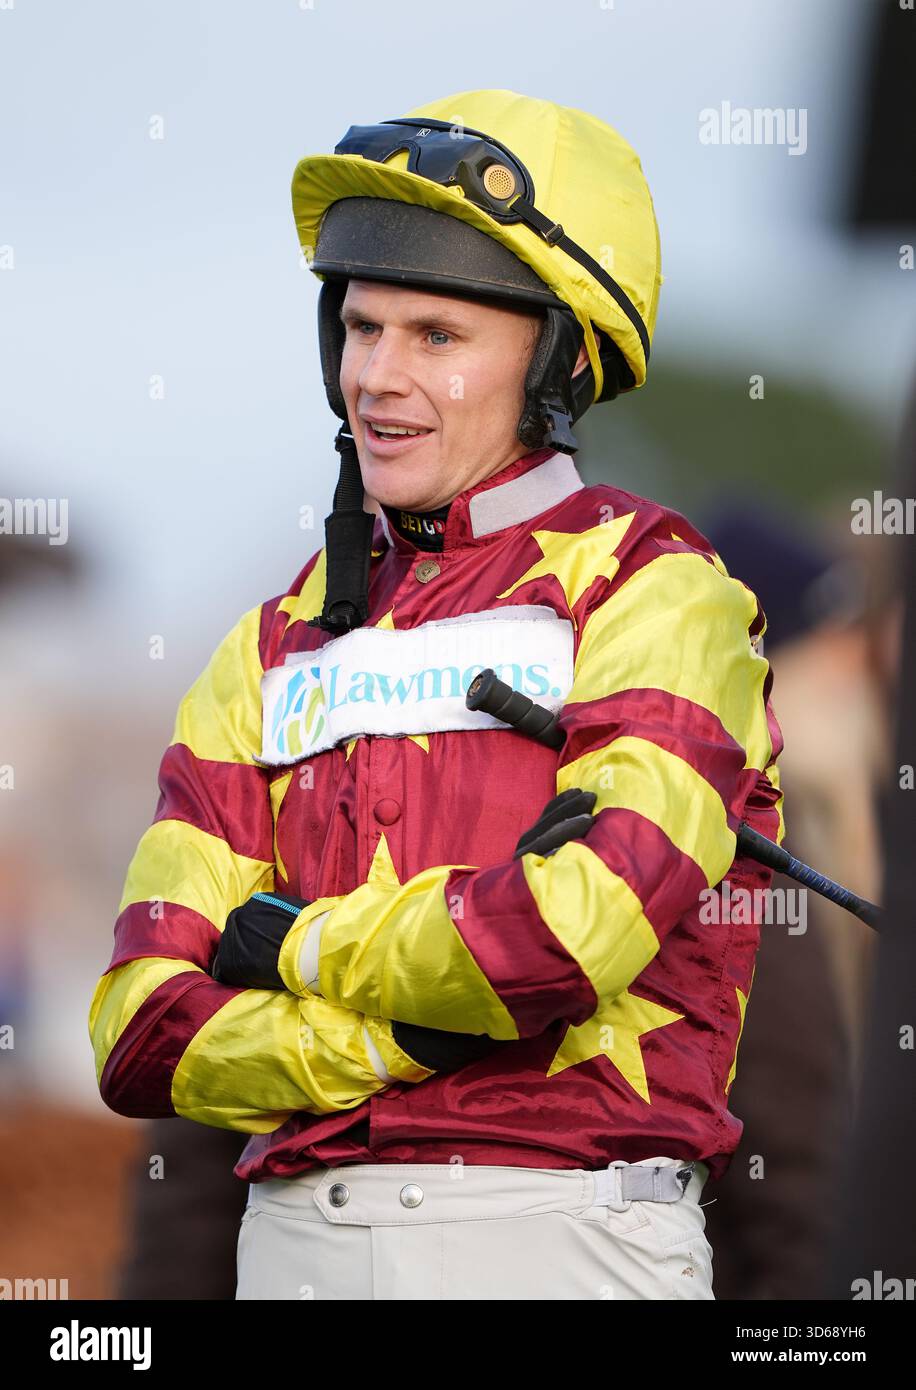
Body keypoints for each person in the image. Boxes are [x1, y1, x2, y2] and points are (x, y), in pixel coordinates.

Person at [88, 89, 784, 1301]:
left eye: (437, 336)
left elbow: (571, 931)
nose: (378, 376)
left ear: (555, 358)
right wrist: (405, 1032)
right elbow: (140, 1028)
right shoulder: (265, 645)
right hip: (292, 1249)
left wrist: (286, 943)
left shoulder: (661, 593)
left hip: (565, 1239)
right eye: (361, 328)